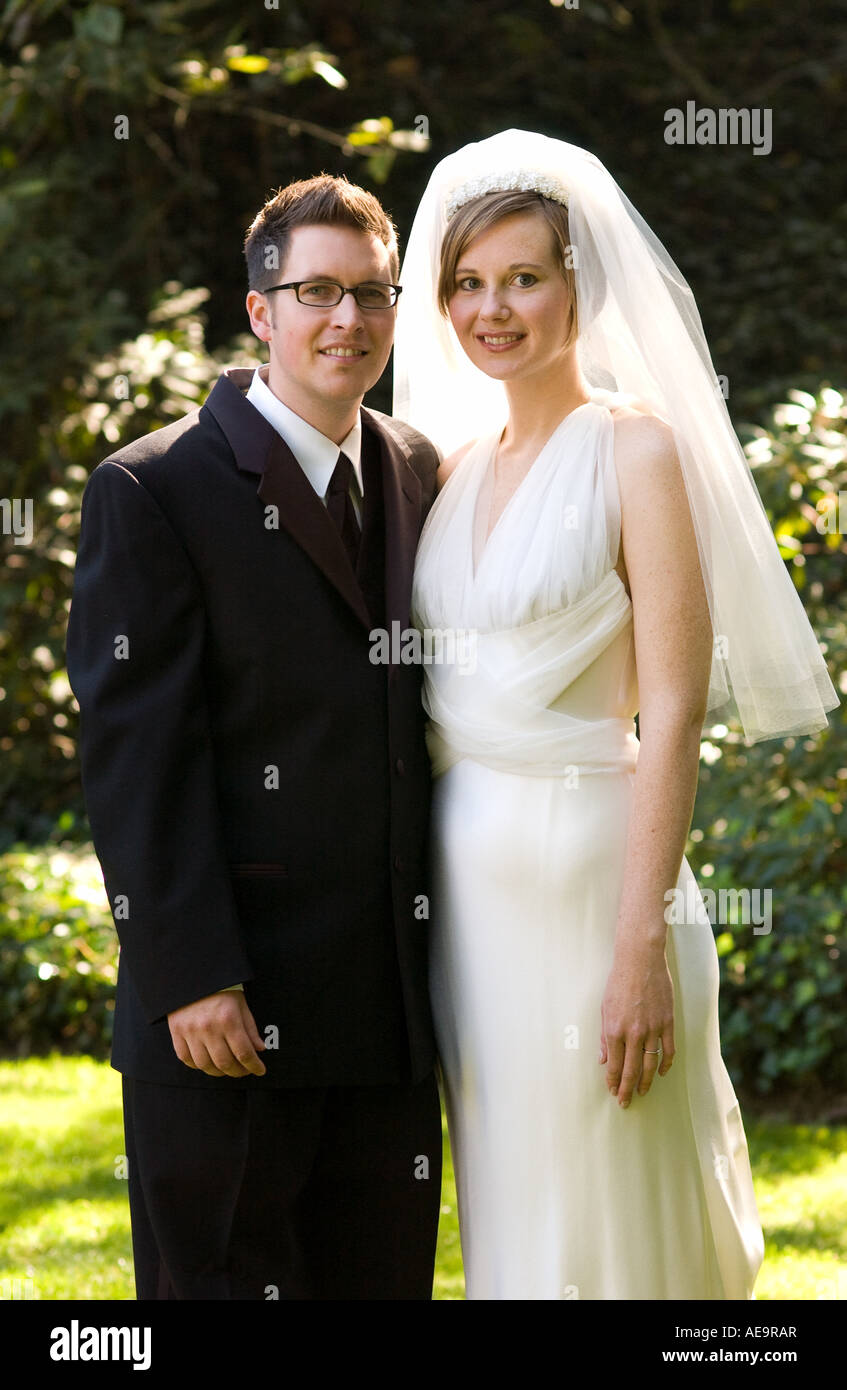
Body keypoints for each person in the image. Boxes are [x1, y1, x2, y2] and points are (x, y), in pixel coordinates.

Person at [392, 130, 838, 1299]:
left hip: (597, 886)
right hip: (470, 899)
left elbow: (676, 706)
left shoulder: (635, 448)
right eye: (470, 283)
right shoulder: (447, 468)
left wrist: (638, 943)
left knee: (618, 1197)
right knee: (515, 1199)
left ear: (576, 287)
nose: (495, 308)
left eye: (524, 277)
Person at [66, 174, 443, 1300]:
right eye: (316, 289)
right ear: (259, 310)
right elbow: (138, 761)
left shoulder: (421, 470)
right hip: (228, 1009)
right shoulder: (153, 487)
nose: (349, 319)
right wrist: (190, 975)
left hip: (387, 1011)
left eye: (372, 292)